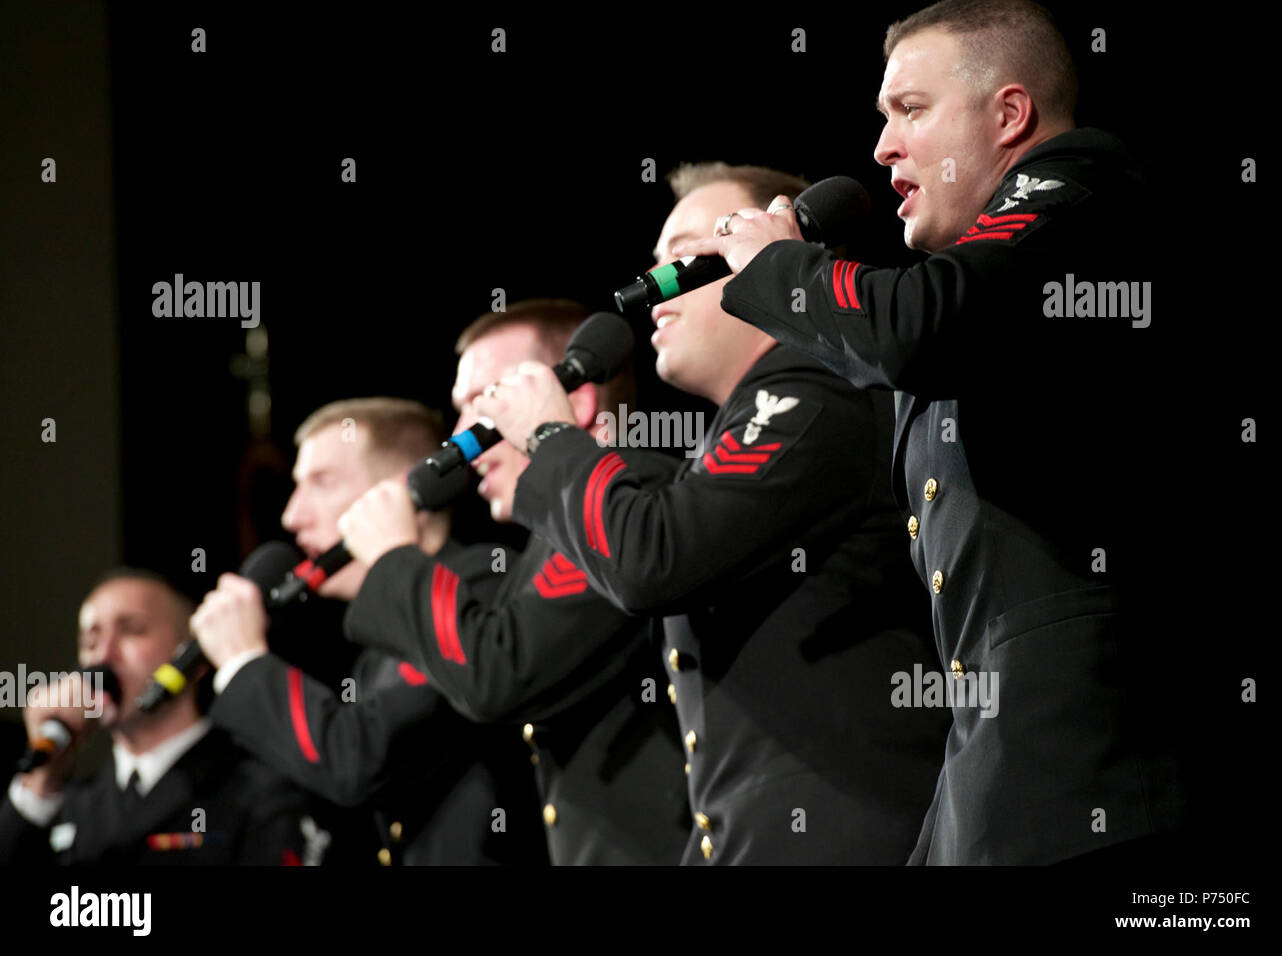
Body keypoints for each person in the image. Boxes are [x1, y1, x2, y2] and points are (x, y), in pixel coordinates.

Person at [665, 0, 1189, 864]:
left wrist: (780, 267)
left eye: (910, 110)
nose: (881, 148)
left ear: (1010, 113)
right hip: (1000, 776)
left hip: (1106, 772)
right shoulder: (974, 287)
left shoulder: (1084, 188)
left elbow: (925, 326)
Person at [474, 170, 950, 864]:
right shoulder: (754, 415)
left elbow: (655, 559)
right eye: (653, 260)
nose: (653, 284)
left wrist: (551, 439)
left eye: (687, 251)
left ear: (770, 247)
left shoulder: (819, 383)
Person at [338, 300, 692, 865]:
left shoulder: (628, 494)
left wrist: (394, 557)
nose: (456, 440)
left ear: (572, 400)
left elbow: (499, 672)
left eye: (485, 404)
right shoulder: (556, 535)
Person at [190, 398, 547, 866]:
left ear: (404, 492)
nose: (292, 515)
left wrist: (244, 663)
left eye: (322, 482)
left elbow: (357, 757)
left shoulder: (476, 588)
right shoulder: (380, 638)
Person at [1, 569, 321, 865]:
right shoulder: (68, 803)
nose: (103, 655)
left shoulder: (259, 787)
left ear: (192, 658)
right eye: (91, 640)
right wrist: (43, 782)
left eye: (132, 631)